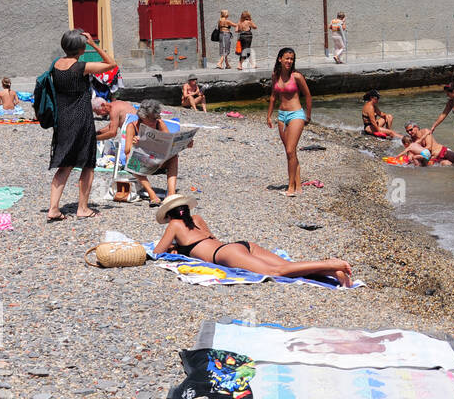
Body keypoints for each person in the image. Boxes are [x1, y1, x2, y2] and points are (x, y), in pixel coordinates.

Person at [153, 195, 353, 286]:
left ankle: (329, 263)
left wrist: (174, 248)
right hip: (240, 246)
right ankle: (331, 272)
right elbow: (208, 239)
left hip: (225, 255)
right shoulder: (197, 220)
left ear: (170, 215)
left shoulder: (175, 225)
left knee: (277, 272)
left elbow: (158, 253)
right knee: (288, 267)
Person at [47, 29, 115, 221]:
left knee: (65, 165)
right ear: (81, 47)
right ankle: (82, 208)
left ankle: (53, 208)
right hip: (81, 118)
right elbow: (111, 64)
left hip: (62, 119)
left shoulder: (55, 65)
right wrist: (94, 45)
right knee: (87, 164)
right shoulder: (81, 67)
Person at [266, 47, 312, 196]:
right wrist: (268, 116)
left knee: (290, 150)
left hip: (296, 114)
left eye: (291, 59)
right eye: (286, 58)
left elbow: (308, 96)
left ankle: (290, 187)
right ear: (280, 59)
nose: (289, 61)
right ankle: (298, 185)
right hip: (281, 116)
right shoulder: (275, 75)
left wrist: (308, 116)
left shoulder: (297, 76)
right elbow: (273, 96)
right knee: (289, 153)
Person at [123, 98, 185, 205]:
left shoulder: (159, 123)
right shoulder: (132, 126)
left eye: (154, 119)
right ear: (142, 117)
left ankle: (171, 194)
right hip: (141, 162)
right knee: (130, 158)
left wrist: (184, 144)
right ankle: (151, 193)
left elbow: (169, 141)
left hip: (157, 160)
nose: (153, 123)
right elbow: (127, 151)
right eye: (150, 120)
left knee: (174, 157)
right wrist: (134, 144)